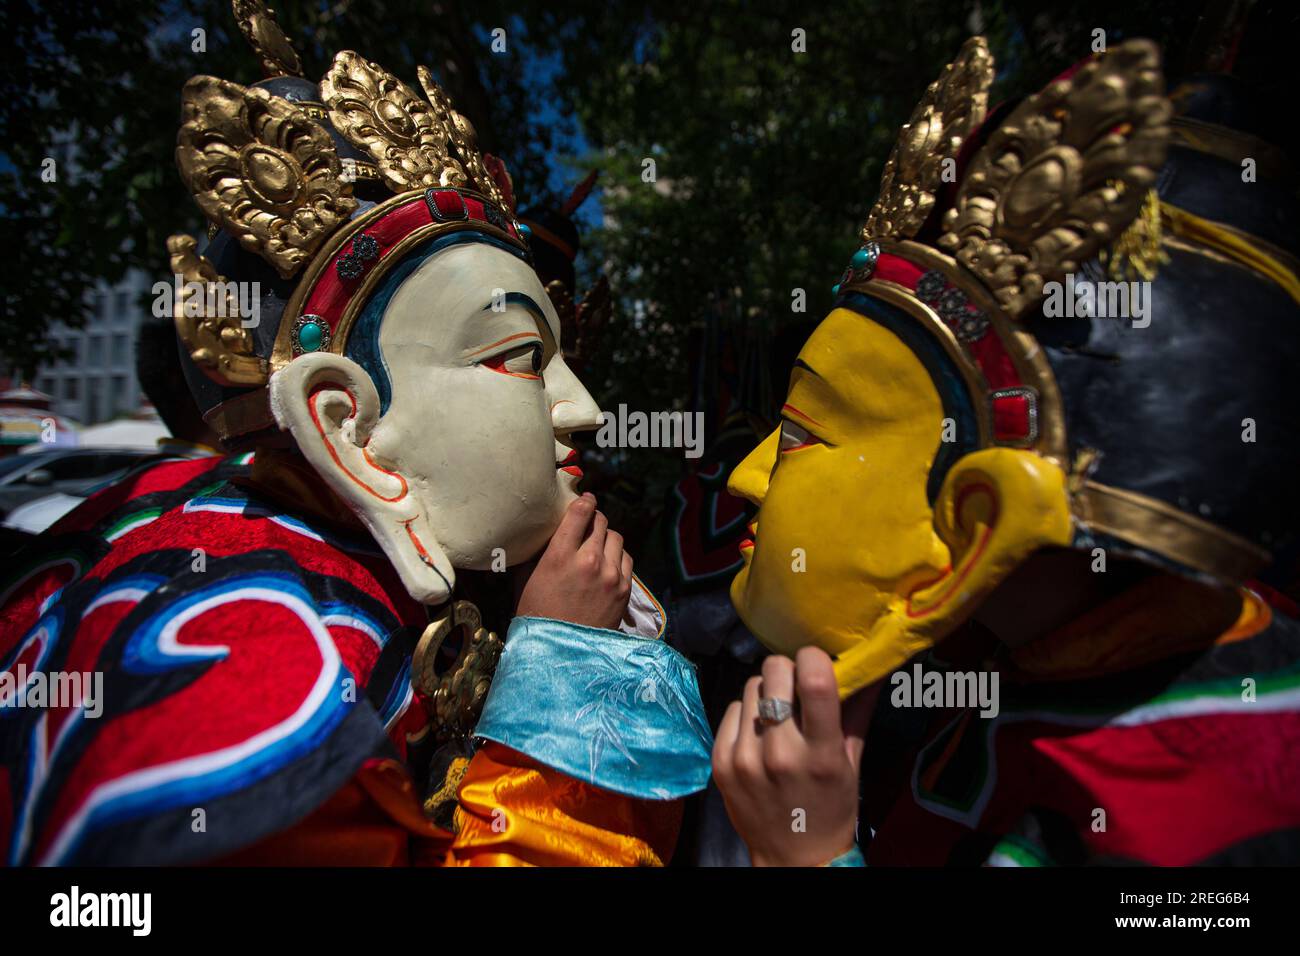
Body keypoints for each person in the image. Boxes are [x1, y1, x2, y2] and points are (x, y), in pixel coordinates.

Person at [0, 0, 710, 866]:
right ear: (347, 429)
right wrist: (565, 688)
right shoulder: (249, 662)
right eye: (524, 357)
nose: (586, 409)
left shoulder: (314, 550)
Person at [713, 35, 1300, 865]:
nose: (743, 475)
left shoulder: (1228, 813)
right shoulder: (1003, 681)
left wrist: (805, 854)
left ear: (974, 529)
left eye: (806, 433)